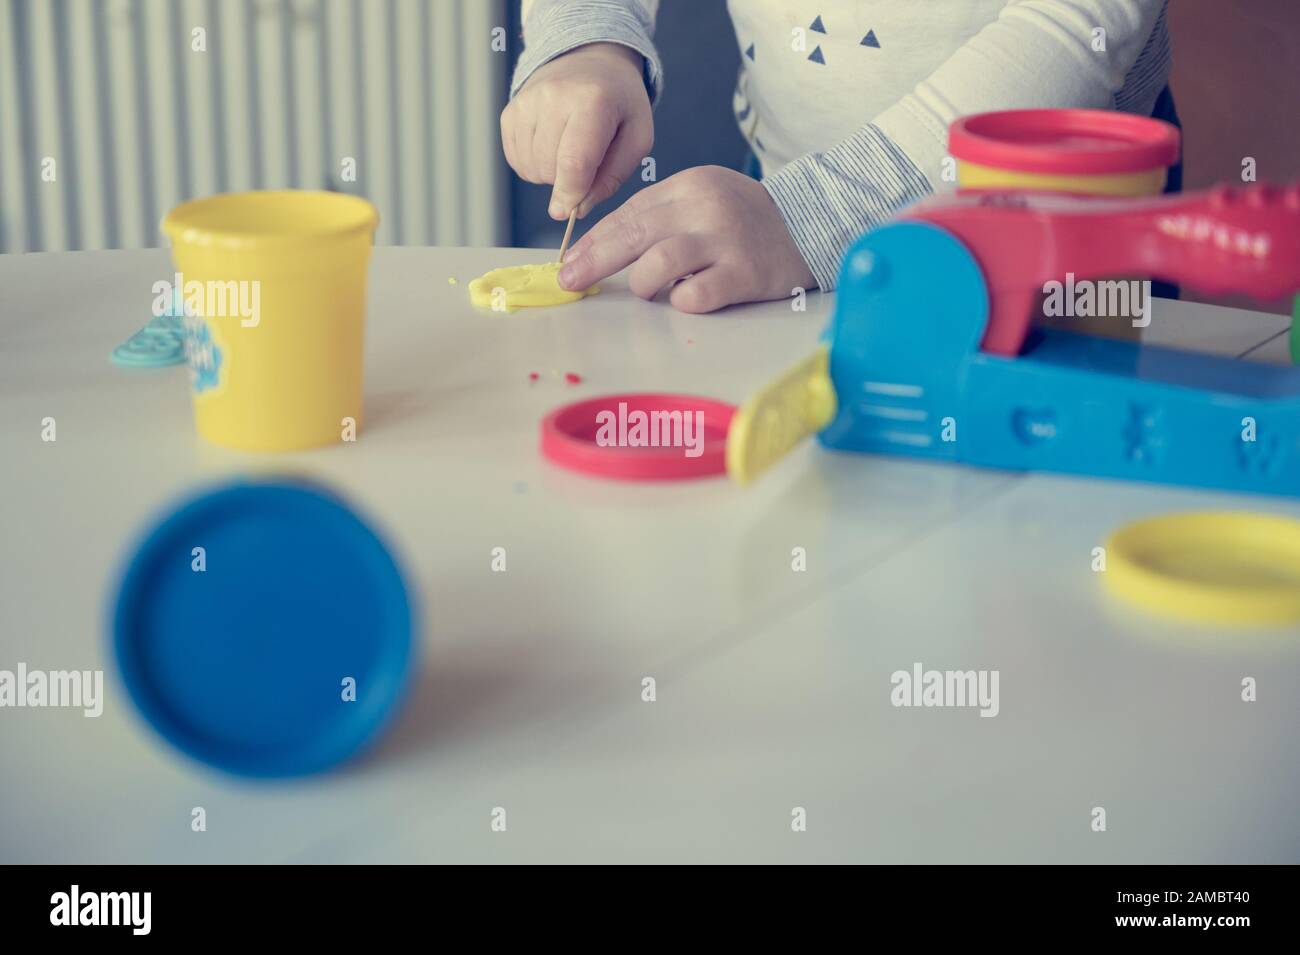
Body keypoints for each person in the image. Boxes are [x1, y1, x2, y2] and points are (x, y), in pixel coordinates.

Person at [502, 0, 1177, 312]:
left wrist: (814, 216)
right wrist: (586, 40)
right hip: (777, 220)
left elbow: (1080, 20)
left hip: (1058, 249)